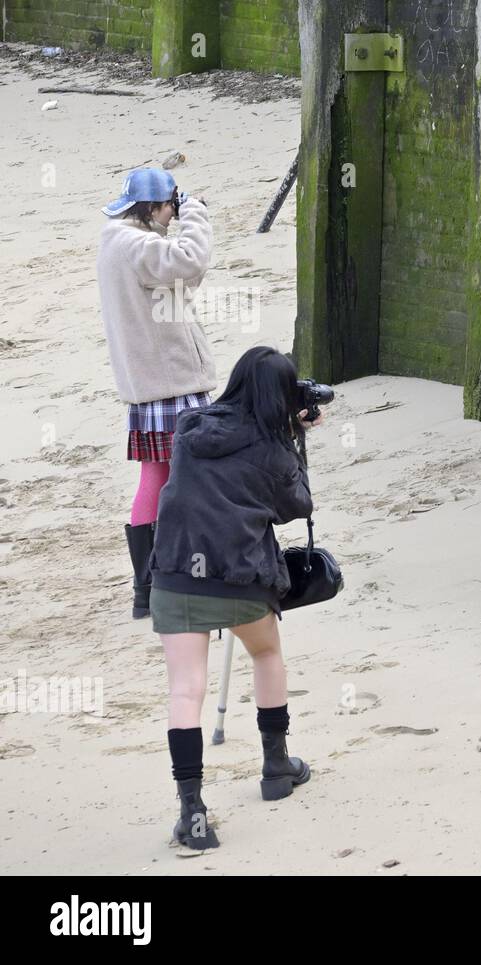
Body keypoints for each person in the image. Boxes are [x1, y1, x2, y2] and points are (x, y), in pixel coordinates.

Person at [149, 346, 320, 850]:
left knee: (185, 690)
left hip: (177, 575)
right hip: (242, 580)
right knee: (266, 654)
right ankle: (275, 765)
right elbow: (298, 506)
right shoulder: (272, 448)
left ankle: (193, 810)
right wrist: (294, 439)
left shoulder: (191, 427)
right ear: (284, 399)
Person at [96, 168, 215, 618]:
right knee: (196, 477)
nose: (175, 211)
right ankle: (188, 573)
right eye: (171, 205)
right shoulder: (138, 245)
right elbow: (191, 263)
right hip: (171, 384)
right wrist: (197, 214)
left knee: (156, 478)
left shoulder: (116, 240)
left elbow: (177, 278)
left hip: (146, 384)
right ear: (152, 206)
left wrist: (180, 217)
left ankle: (148, 588)